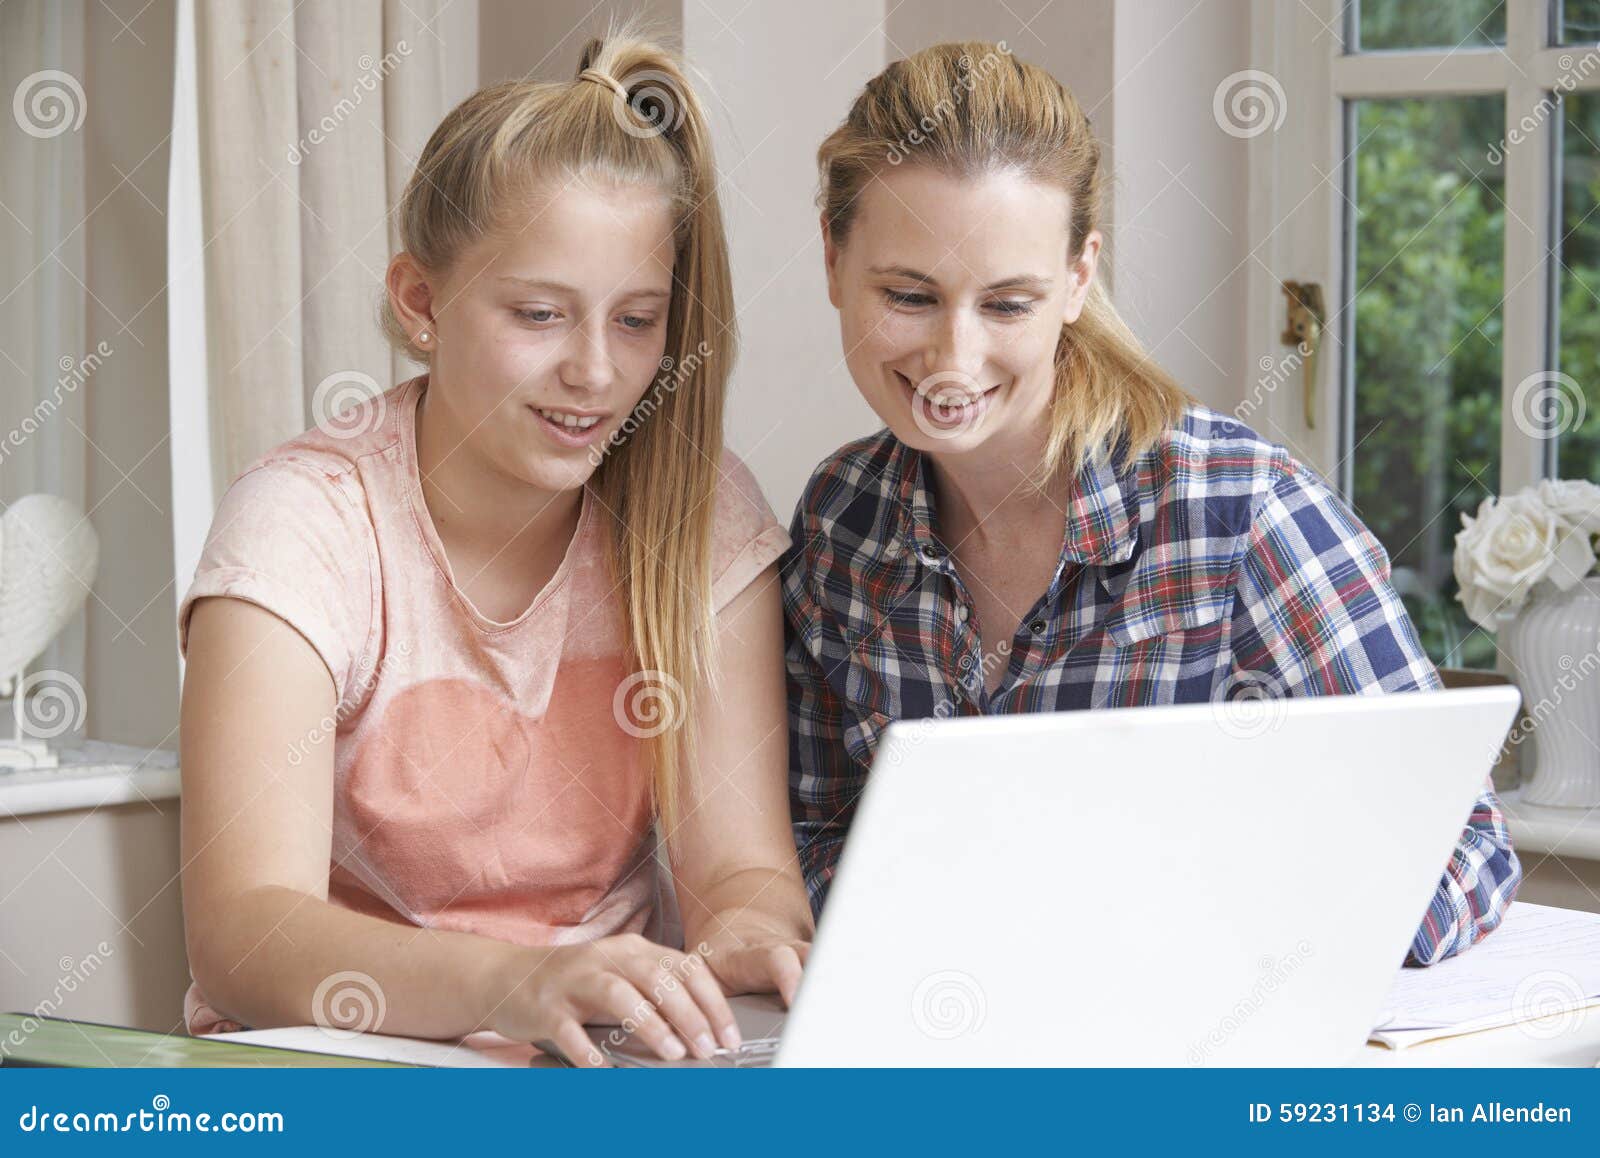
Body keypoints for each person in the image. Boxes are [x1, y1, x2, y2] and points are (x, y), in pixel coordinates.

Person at [783, 41, 1519, 967]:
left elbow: (1464, 851)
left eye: (1009, 304)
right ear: (831, 261)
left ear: (1080, 278)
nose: (954, 357)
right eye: (908, 295)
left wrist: (1197, 931)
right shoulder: (841, 522)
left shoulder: (1238, 513)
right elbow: (811, 835)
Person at [179, 25, 810, 1068]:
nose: (598, 374)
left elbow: (741, 872)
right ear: (421, 302)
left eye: (639, 320)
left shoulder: (697, 513)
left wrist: (751, 936)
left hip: (586, 1071)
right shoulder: (303, 523)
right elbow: (246, 931)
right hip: (333, 1068)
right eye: (540, 315)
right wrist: (515, 984)